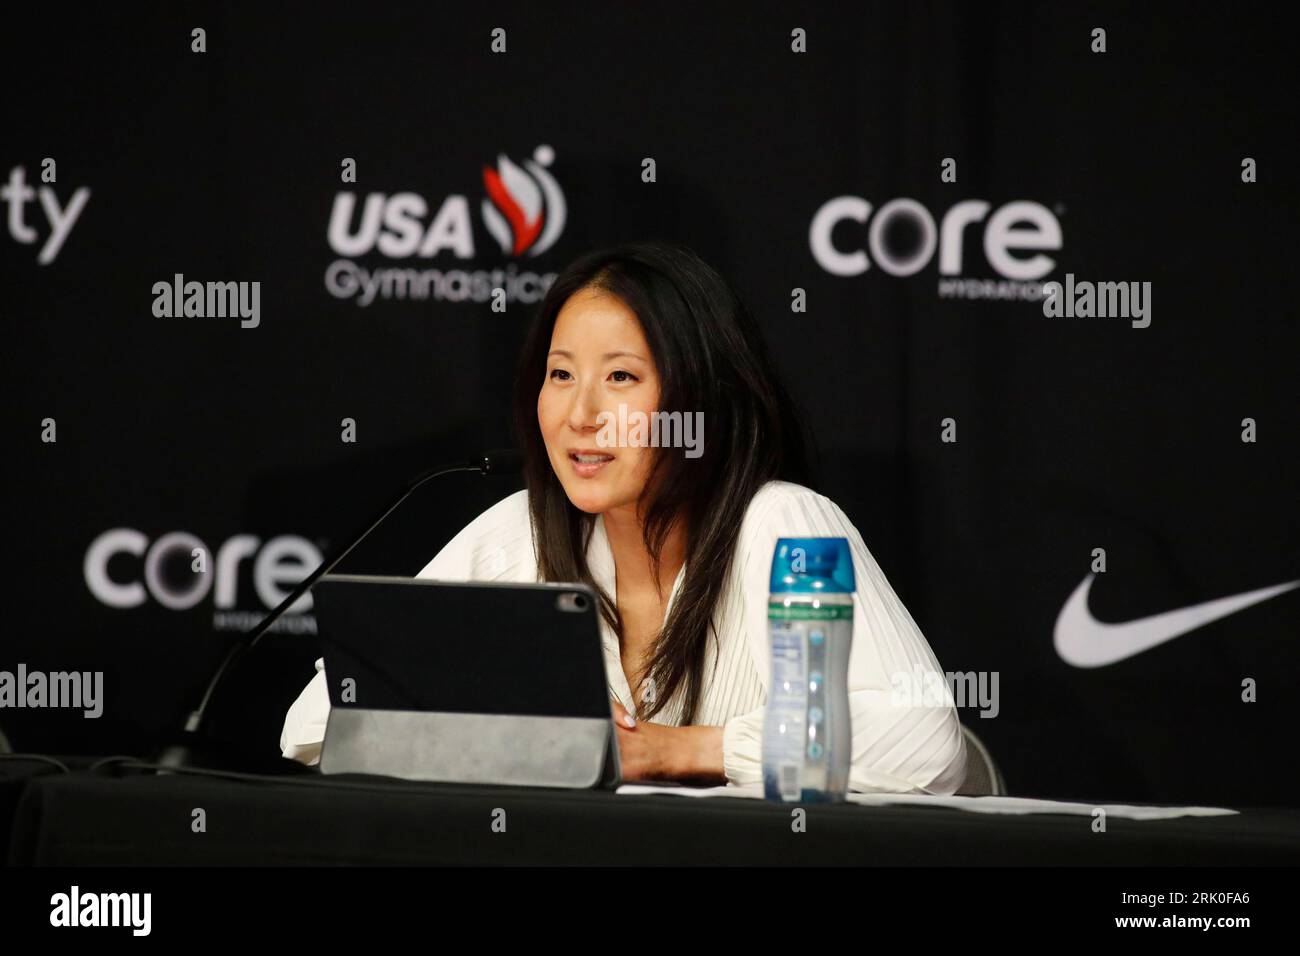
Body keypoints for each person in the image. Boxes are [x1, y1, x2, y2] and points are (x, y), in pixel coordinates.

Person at [280, 240, 968, 794]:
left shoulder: (784, 525)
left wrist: (676, 752)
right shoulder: (518, 532)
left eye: (621, 378)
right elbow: (314, 720)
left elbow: (926, 743)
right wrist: (517, 732)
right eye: (560, 375)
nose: (580, 416)